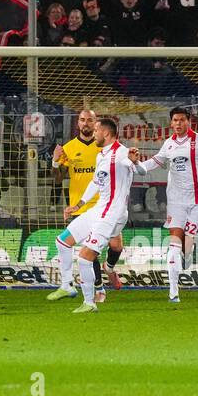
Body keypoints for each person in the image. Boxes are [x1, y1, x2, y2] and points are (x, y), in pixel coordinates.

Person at [131, 107, 198, 303]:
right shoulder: (168, 144)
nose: (178, 124)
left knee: (187, 245)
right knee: (174, 242)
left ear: (189, 121)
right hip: (175, 200)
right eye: (175, 120)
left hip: (197, 199)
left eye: (182, 120)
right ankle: (173, 293)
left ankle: (187, 255)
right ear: (171, 122)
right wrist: (136, 164)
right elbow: (150, 165)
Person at [50, 117, 140, 313]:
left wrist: (135, 161)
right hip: (99, 208)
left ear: (106, 133)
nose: (94, 133)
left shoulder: (122, 153)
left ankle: (90, 302)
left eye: (97, 130)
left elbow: (134, 164)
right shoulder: (101, 155)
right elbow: (96, 182)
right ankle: (67, 286)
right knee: (62, 241)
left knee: (84, 258)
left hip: (113, 214)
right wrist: (79, 204)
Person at [51, 108, 107, 300]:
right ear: (78, 123)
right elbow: (58, 179)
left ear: (95, 123)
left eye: (89, 120)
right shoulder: (69, 148)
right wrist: (55, 162)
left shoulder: (103, 146)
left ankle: (97, 288)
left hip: (100, 206)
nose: (86, 124)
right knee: (86, 249)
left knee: (92, 249)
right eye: (82, 120)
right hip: (77, 206)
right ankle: (96, 288)